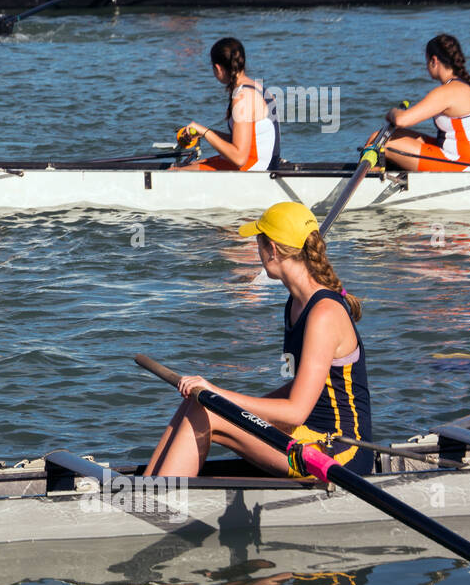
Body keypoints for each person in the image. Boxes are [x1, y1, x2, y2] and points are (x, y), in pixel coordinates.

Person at [144, 202, 372, 479]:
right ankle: (148, 488)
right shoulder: (296, 304)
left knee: (209, 411)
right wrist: (224, 404)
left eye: (258, 243)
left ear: (272, 250)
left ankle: (158, 506)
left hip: (338, 453)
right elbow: (300, 387)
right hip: (306, 436)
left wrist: (218, 395)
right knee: (197, 402)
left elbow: (296, 412)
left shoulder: (324, 314)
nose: (258, 252)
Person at [375, 35, 470, 172]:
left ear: (434, 61)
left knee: (381, 142)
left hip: (463, 165)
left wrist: (392, 112)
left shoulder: (449, 91)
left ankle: (369, 185)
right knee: (385, 135)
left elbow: (401, 119)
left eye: (426, 60)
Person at [174, 38, 280, 172]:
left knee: (173, 173)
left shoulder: (243, 97)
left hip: (254, 171)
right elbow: (243, 141)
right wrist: (203, 133)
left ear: (218, 68)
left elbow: (239, 158)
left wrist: (206, 133)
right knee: (185, 166)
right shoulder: (258, 88)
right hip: (263, 166)